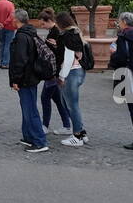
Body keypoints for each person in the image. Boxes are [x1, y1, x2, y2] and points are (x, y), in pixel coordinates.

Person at [10, 10, 50, 153]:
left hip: (25, 78)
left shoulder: (21, 36)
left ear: (17, 20)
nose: (12, 20)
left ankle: (39, 141)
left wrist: (15, 79)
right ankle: (28, 137)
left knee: (30, 109)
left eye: (13, 18)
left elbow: (20, 60)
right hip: (31, 77)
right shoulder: (30, 33)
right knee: (28, 108)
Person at [109, 12, 133, 151]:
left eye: (119, 21)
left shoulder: (124, 36)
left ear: (124, 21)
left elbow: (121, 57)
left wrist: (113, 54)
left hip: (128, 73)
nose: (118, 23)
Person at [35, 8, 73, 136]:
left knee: (45, 97)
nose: (42, 26)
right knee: (58, 99)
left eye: (43, 23)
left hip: (54, 72)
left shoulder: (56, 32)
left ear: (50, 21)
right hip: (54, 71)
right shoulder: (54, 31)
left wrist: (54, 46)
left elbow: (60, 53)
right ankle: (68, 125)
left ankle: (45, 125)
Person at [56, 11, 89, 147]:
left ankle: (77, 135)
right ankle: (81, 132)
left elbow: (68, 58)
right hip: (79, 71)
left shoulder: (67, 36)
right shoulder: (76, 33)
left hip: (71, 72)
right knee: (71, 104)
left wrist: (62, 76)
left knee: (71, 105)